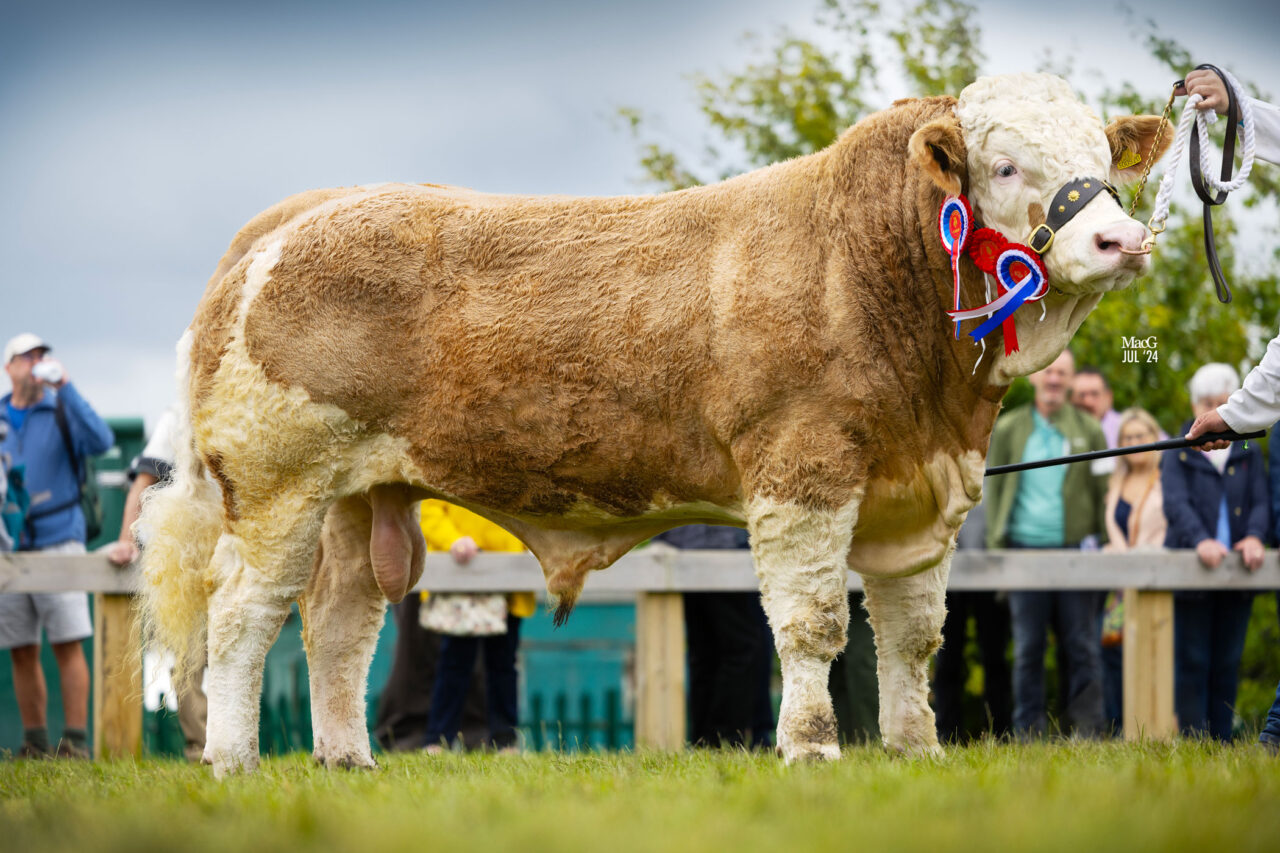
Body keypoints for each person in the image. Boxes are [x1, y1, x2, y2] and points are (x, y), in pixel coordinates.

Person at [0, 333, 114, 759]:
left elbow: (102, 442)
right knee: (21, 650)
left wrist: (65, 385)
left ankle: (75, 744)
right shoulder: (1, 416)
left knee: (68, 644)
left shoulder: (63, 406)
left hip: (59, 540)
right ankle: (34, 742)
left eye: (41, 355)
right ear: (9, 367)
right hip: (10, 548)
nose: (36, 362)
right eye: (26, 356)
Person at [985, 349, 1109, 738]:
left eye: (1062, 374)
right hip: (1022, 550)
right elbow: (995, 490)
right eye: (1049, 371)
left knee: (1081, 645)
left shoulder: (1089, 430)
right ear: (1035, 376)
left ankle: (1088, 731)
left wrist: (1107, 546)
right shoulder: (1008, 428)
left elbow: (1103, 489)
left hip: (1074, 551)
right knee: (1027, 648)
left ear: (1070, 381)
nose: (1054, 379)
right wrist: (997, 549)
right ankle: (1028, 734)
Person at [1163, 364, 1268, 740]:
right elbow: (1175, 503)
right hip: (1193, 570)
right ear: (1195, 404)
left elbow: (1260, 500)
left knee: (1227, 662)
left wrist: (1256, 535)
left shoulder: (1247, 448)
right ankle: (1193, 742)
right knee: (1191, 660)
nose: (1215, 409)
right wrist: (1199, 539)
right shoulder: (1178, 448)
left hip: (1239, 571)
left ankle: (1221, 742)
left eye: (1223, 403)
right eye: (1208, 402)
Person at [104, 405, 208, 762]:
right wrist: (126, 539)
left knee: (233, 654)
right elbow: (143, 483)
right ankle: (202, 750)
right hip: (187, 558)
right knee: (190, 660)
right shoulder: (178, 419)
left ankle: (235, 745)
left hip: (236, 555)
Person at [420, 500, 535, 753]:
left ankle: (505, 741)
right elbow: (428, 509)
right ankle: (438, 740)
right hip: (461, 577)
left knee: (503, 665)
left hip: (508, 579)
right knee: (454, 663)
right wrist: (454, 540)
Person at [655, 525, 775, 749]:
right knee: (743, 647)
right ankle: (725, 738)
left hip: (681, 548)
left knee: (705, 651)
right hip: (724, 550)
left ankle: (705, 739)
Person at [1099, 408, 1168, 733]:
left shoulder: (1167, 479)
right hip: (1119, 584)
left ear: (1155, 438)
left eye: (1141, 436)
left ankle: (1155, 729)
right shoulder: (1117, 481)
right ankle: (1118, 730)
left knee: (1154, 656)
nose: (1134, 442)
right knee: (1114, 654)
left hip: (1157, 578)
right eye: (1128, 437)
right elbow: (1114, 529)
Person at [932, 502, 1012, 743]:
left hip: (991, 571)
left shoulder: (997, 465)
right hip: (946, 572)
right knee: (946, 658)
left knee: (994, 657)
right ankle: (947, 736)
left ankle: (1000, 734)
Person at [1071, 368, 1122, 449]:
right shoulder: (1062, 430)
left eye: (1094, 394)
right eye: (1082, 395)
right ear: (1071, 399)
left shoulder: (1124, 429)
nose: (1088, 402)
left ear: (1109, 397)